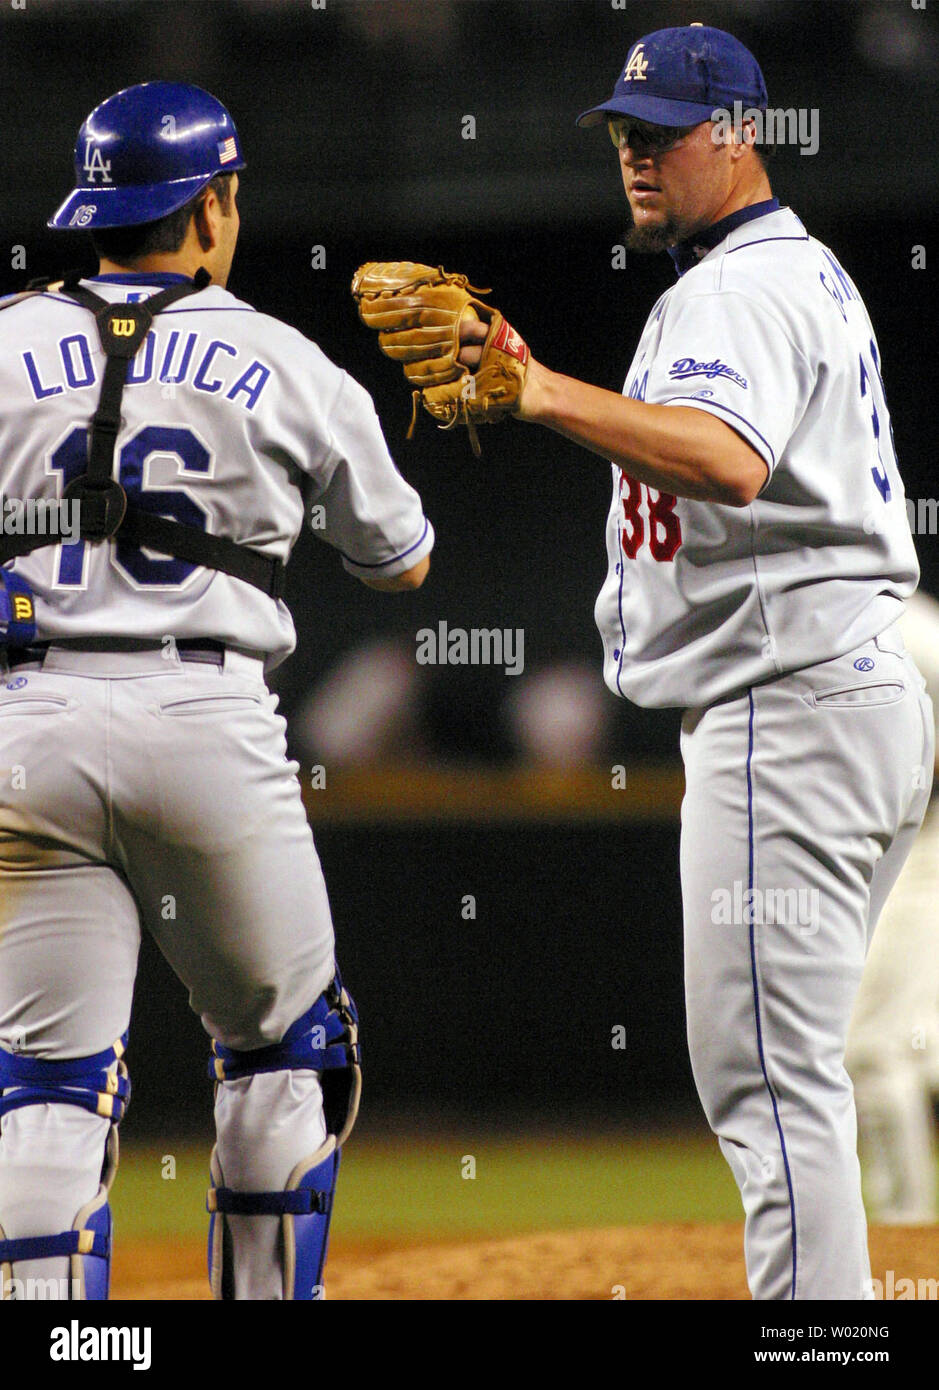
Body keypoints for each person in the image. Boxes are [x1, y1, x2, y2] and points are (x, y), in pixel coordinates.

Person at [457, 24, 932, 1299]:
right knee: (795, 1067)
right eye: (623, 133)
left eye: (663, 131)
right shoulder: (794, 270)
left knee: (767, 1079)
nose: (636, 154)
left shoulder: (735, 287)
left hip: (790, 703)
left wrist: (543, 392)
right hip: (845, 690)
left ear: (740, 132)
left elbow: (728, 458)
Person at [0, 81, 433, 1301]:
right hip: (205, 722)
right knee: (284, 1052)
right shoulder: (283, 358)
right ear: (211, 202)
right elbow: (403, 560)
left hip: (25, 726)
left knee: (45, 1083)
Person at [846, 590, 939, 1225]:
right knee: (916, 1048)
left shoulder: (908, 620)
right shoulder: (806, 601)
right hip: (864, 854)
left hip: (924, 848)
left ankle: (905, 1239)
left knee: (872, 1050)